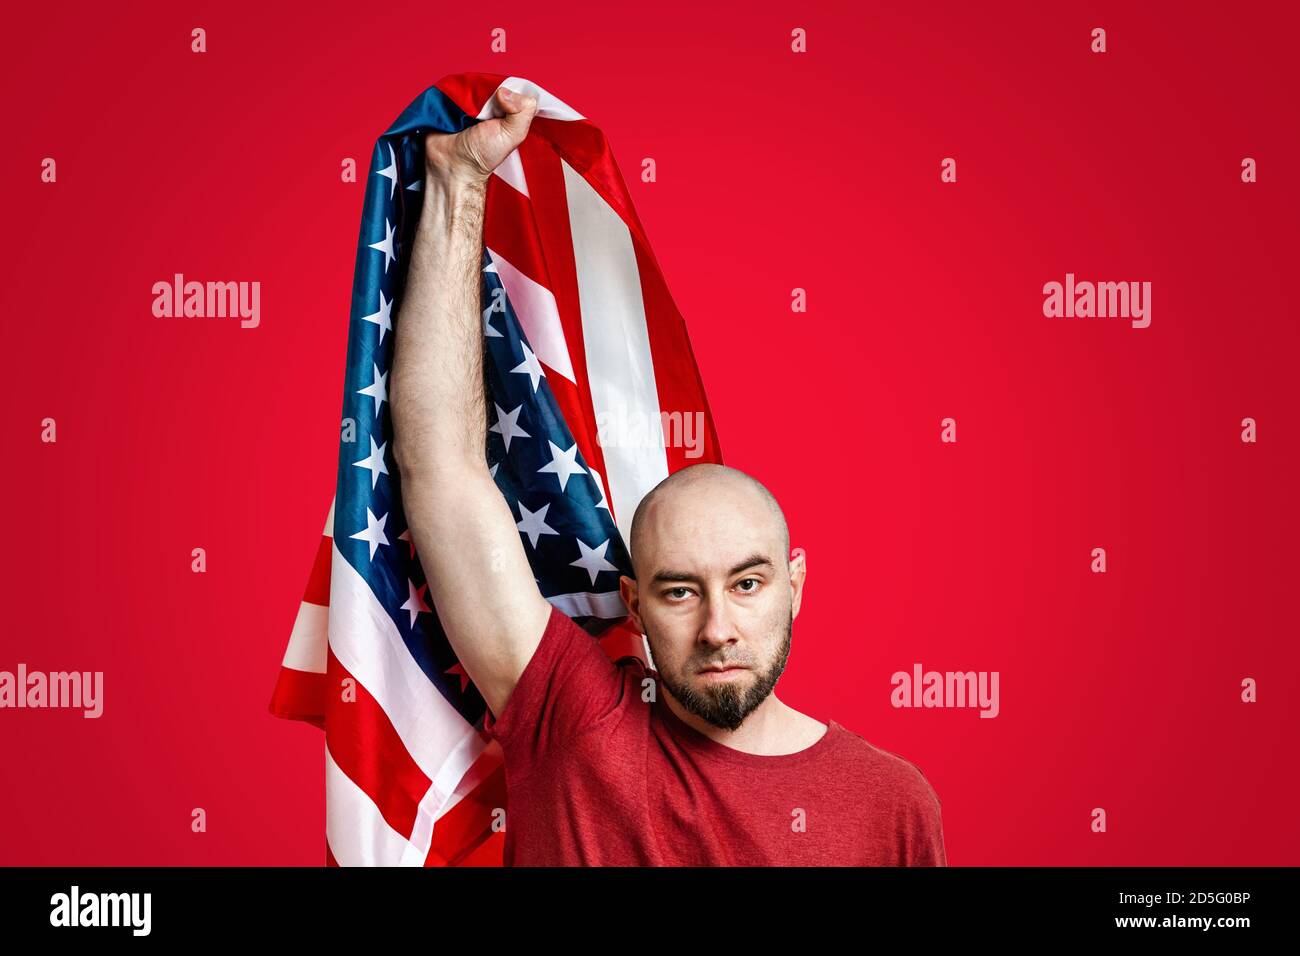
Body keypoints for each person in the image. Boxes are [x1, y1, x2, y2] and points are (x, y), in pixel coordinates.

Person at [390, 85, 947, 866]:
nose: (718, 628)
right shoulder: (575, 722)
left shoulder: (892, 804)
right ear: (634, 602)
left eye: (747, 584)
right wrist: (458, 183)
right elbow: (443, 472)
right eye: (680, 590)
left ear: (796, 584)